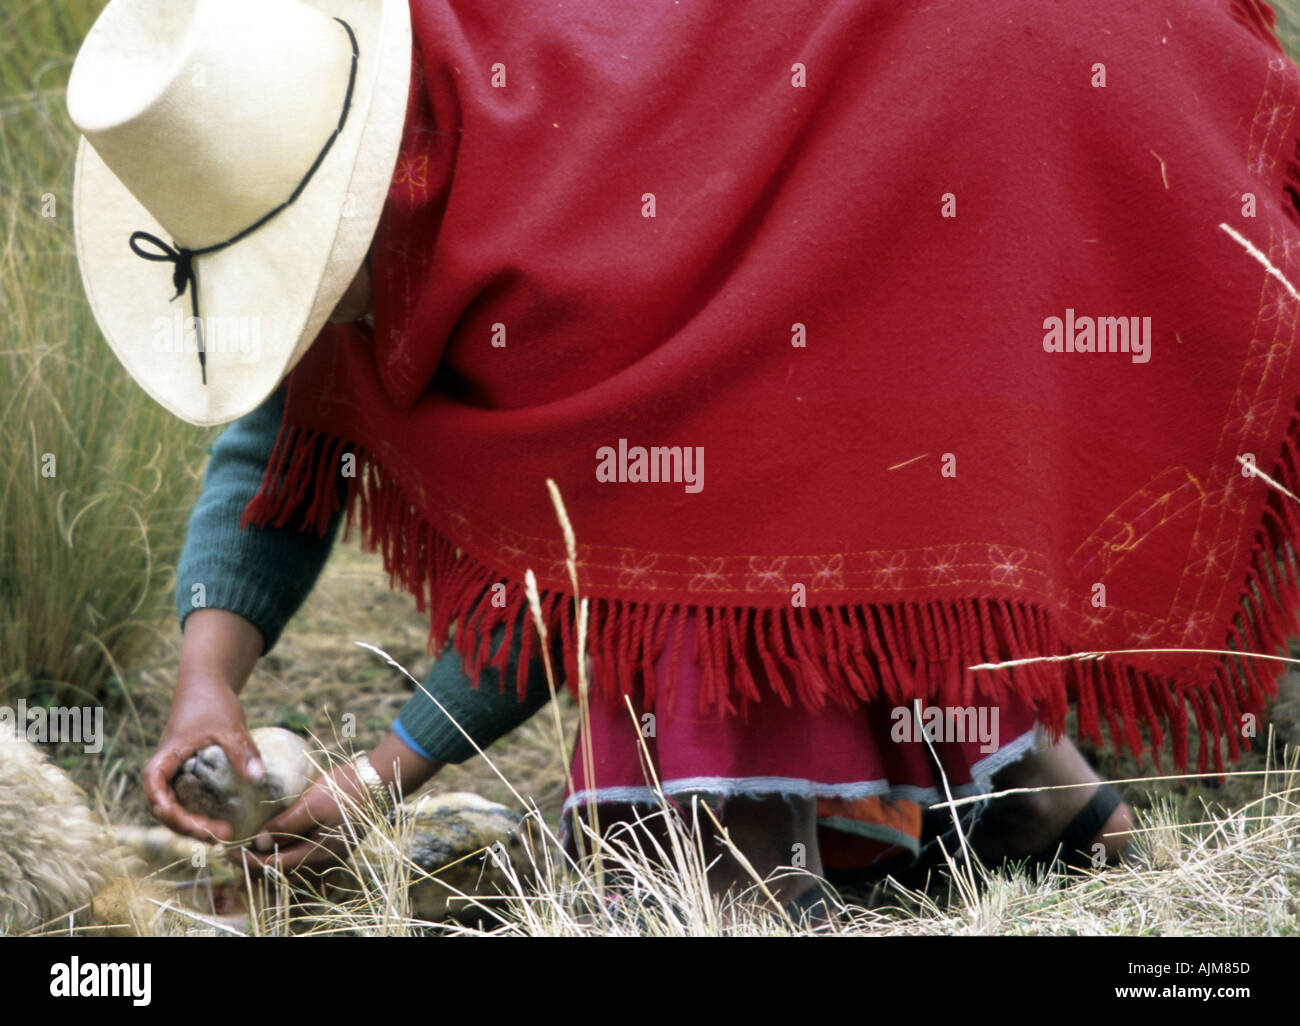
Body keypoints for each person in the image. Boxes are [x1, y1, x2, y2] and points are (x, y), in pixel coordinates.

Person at [69, 0, 1300, 919]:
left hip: (971, 84)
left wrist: (387, 768)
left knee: (744, 503)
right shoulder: (360, 125)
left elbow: (593, 565)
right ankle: (1026, 785)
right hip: (846, 87)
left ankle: (782, 861)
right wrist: (206, 676)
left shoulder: (554, 212)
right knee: (820, 438)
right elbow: (293, 434)